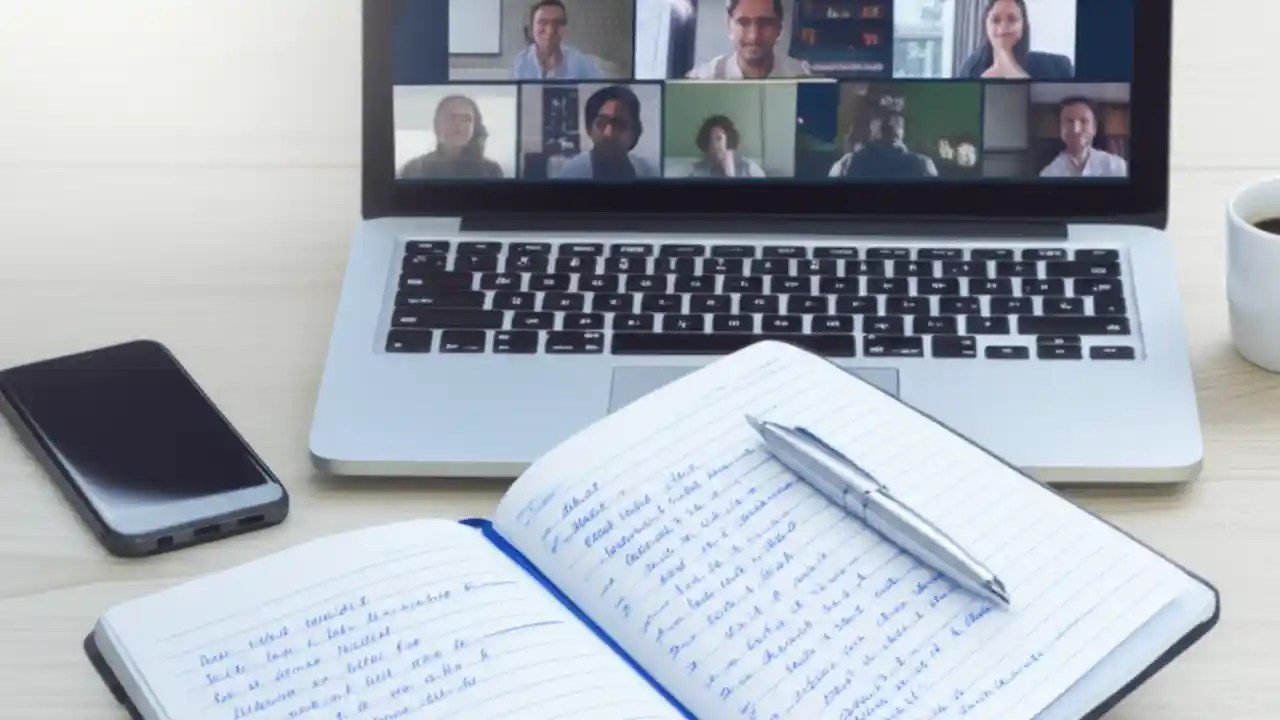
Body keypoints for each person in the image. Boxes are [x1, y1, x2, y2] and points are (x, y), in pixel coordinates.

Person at [687, 0, 812, 80]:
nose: (754, 36)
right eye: (743, 22)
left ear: (779, 29)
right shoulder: (702, 79)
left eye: (765, 23)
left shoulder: (802, 79)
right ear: (729, 26)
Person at [554, 85, 659, 180]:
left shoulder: (649, 173)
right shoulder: (571, 174)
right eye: (602, 123)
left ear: (636, 131)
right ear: (589, 128)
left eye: (620, 125)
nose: (609, 133)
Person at [956, 0, 1074, 80]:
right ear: (985, 26)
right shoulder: (970, 70)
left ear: (1023, 26)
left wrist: (1005, 60)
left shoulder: (1056, 68)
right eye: (996, 20)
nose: (1003, 27)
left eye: (1012, 19)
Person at [400, 95, 504, 179]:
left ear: (475, 126)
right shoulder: (414, 169)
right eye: (451, 118)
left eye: (466, 119)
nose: (458, 125)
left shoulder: (491, 171)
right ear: (436, 124)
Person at [829, 100, 938, 178]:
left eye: (894, 116)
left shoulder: (847, 164)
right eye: (882, 116)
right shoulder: (922, 165)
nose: (889, 122)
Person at [512, 0, 603, 80]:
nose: (550, 30)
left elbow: (602, 92)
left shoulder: (579, 62)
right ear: (532, 27)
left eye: (558, 23)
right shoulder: (520, 63)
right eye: (543, 23)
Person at [1040, 96, 1128, 178]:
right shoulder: (1048, 174)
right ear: (1060, 128)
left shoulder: (1118, 167)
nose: (1076, 130)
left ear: (1094, 128)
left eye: (1084, 121)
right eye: (1069, 121)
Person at [688, 115, 766, 178]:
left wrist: (730, 173)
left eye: (719, 139)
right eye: (710, 139)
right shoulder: (695, 171)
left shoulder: (749, 168)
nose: (715, 145)